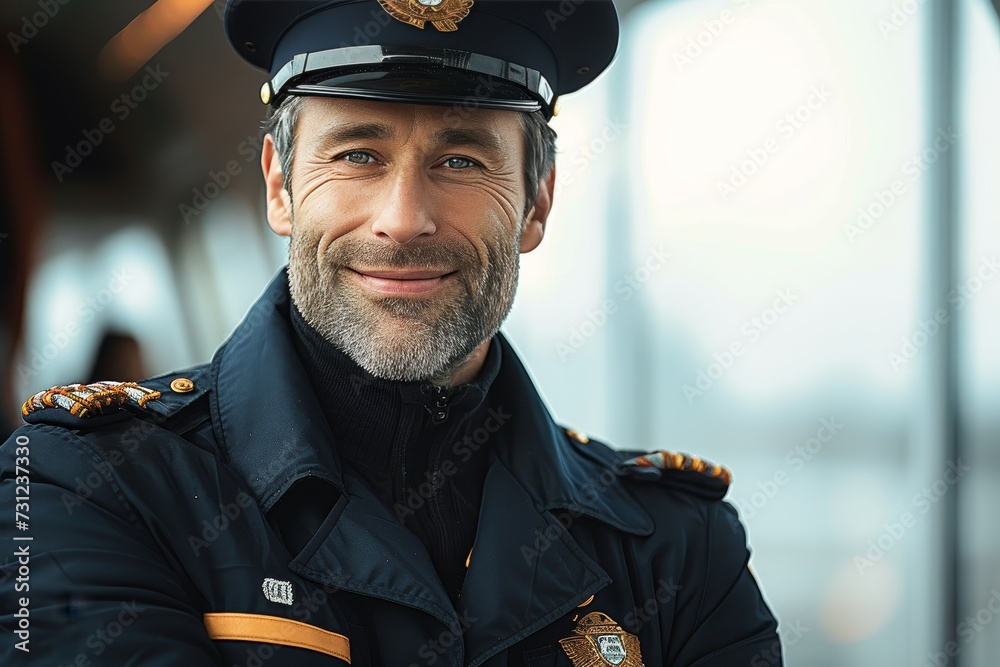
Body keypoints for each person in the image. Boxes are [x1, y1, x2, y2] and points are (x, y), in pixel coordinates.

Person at [0, 0, 782, 665]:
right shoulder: (85, 486)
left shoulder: (678, 546)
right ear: (280, 185)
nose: (403, 220)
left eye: (463, 160)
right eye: (359, 153)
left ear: (537, 203)